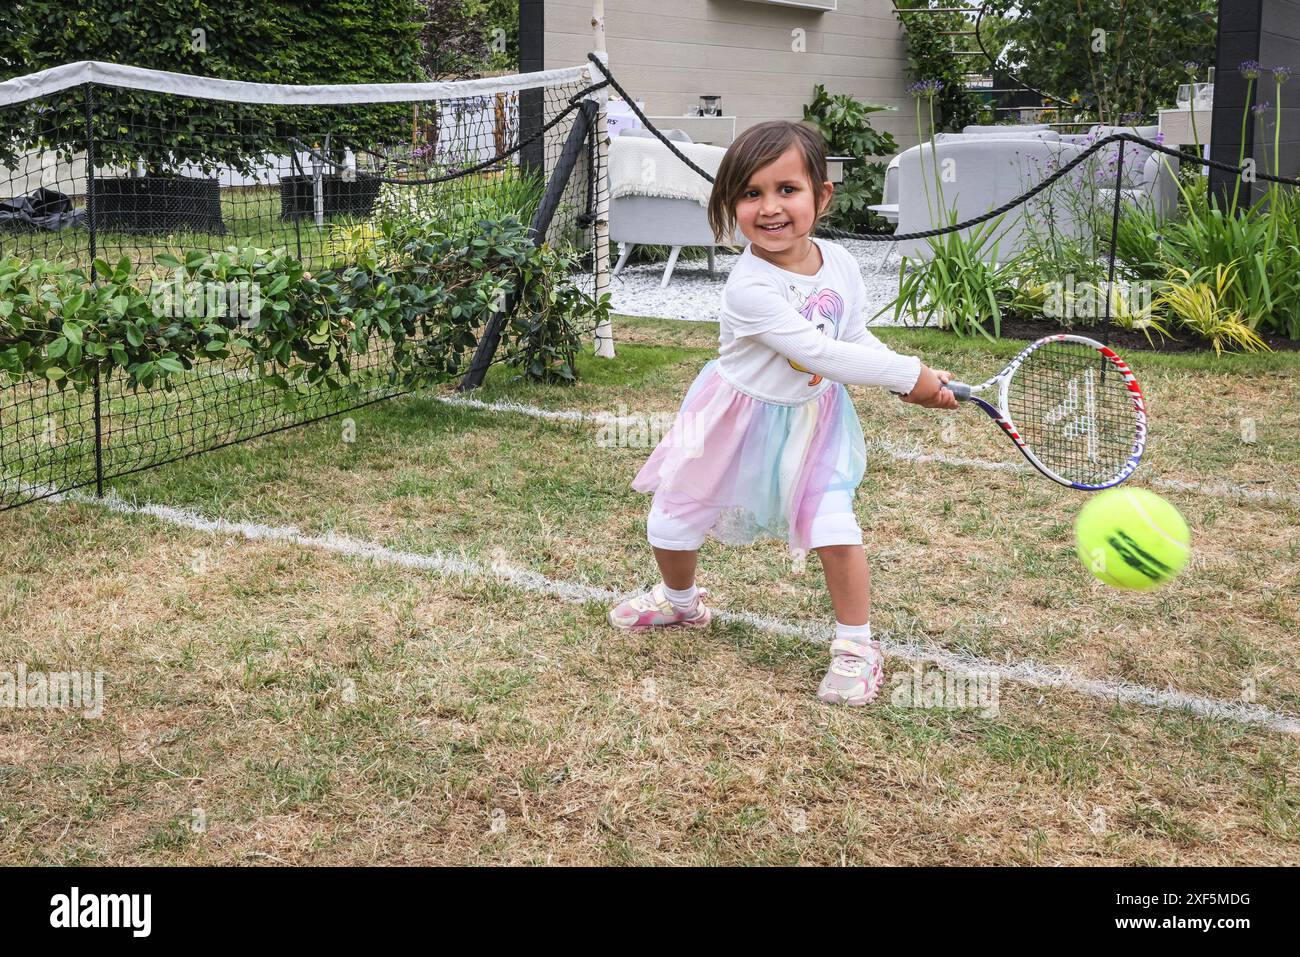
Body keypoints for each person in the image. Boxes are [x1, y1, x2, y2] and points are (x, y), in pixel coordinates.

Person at [608, 120, 958, 706]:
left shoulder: (840, 262)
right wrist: (910, 378)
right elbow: (817, 351)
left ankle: (856, 646)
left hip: (811, 423)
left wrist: (907, 374)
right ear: (730, 205)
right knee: (669, 524)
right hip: (728, 421)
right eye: (750, 194)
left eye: (786, 190)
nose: (769, 208)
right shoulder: (749, 286)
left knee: (834, 528)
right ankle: (681, 603)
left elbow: (851, 336)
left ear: (821, 196)